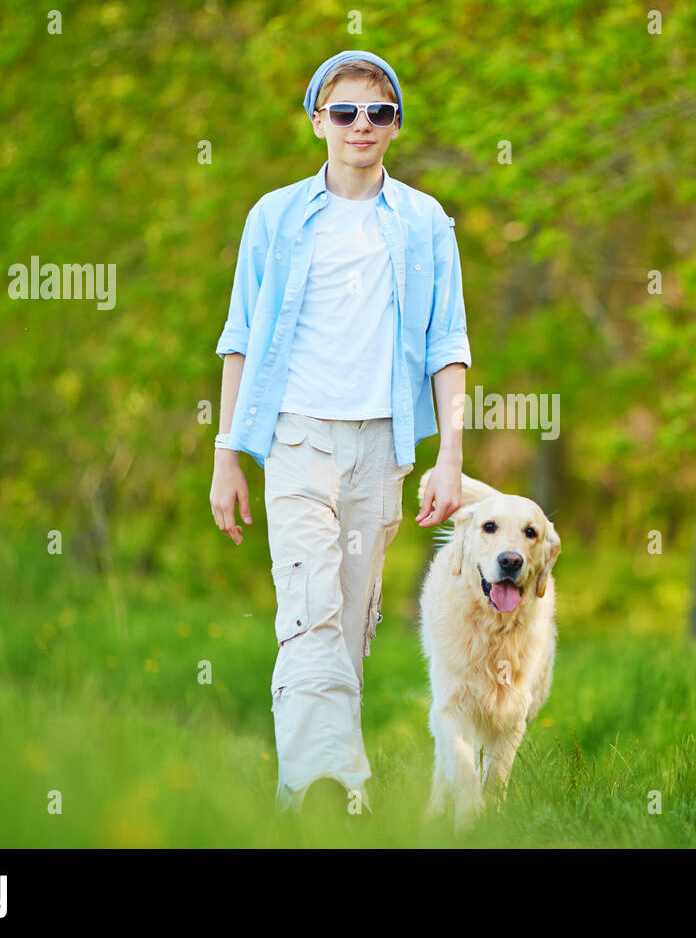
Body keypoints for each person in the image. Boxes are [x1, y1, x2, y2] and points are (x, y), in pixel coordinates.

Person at [208, 49, 471, 817]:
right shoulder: (275, 217)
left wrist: (449, 457)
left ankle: (307, 801)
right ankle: (340, 783)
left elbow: (448, 345)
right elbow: (241, 341)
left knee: (349, 624)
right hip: (296, 440)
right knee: (310, 607)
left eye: (379, 113)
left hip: (381, 449)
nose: (363, 126)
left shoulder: (425, 222)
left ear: (396, 126)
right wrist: (227, 456)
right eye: (346, 111)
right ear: (317, 119)